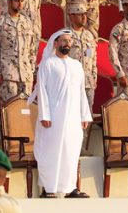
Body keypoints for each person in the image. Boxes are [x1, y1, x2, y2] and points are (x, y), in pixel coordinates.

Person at [30, 34, 90, 197]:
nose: (67, 44)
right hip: (53, 118)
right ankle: (48, 188)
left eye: (70, 41)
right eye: (64, 40)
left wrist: (84, 115)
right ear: (55, 43)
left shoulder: (76, 65)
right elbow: (41, 90)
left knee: (70, 152)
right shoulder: (47, 64)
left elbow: (81, 91)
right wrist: (45, 115)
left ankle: (70, 188)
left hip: (72, 118)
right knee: (51, 152)